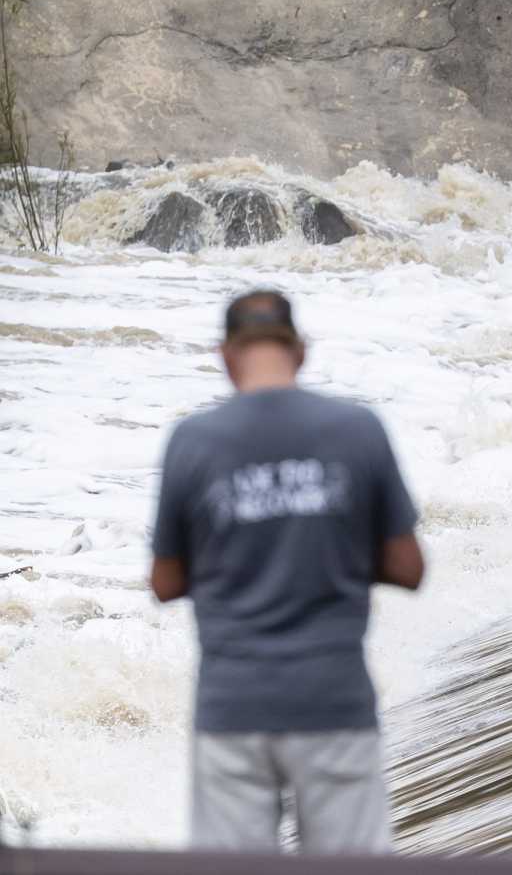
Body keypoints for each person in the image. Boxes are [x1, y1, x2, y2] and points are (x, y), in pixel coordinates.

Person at [149, 290, 426, 853]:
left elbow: (165, 581)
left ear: (226, 355)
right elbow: (409, 566)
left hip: (233, 706)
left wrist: (238, 550)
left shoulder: (192, 441)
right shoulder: (358, 429)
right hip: (334, 701)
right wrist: (334, 549)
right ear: (300, 351)